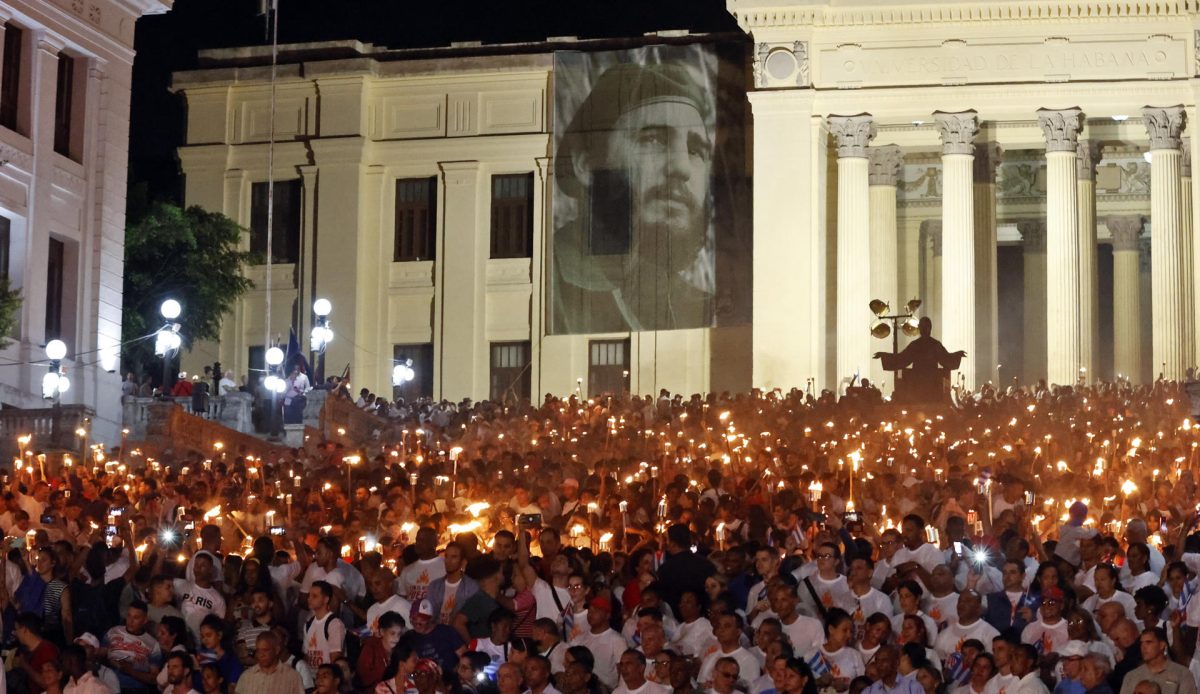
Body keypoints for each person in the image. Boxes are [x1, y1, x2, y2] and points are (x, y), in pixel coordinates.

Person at [552, 57, 717, 333]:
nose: (681, 167)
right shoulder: (544, 284)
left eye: (695, 150)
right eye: (652, 140)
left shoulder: (705, 312)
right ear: (587, 164)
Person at [875, 317, 966, 403]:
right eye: (923, 327)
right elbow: (902, 358)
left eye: (926, 327)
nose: (925, 329)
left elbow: (902, 359)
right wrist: (884, 355)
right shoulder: (927, 345)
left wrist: (957, 355)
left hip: (924, 383)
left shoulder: (928, 345)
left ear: (929, 328)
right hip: (924, 383)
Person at [1116, 628, 1196, 694]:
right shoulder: (1131, 677)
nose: (1143, 647)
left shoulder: (1182, 674)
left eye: (1148, 642)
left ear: (1162, 645)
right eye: (1141, 643)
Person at [235, 631, 304, 694]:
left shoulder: (292, 677)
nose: (261, 655)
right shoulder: (246, 677)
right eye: (258, 650)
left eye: (265, 650)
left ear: (277, 650)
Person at [302, 580, 346, 668]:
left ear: (326, 599)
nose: (309, 599)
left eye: (314, 596)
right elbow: (306, 655)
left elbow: (335, 657)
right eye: (309, 595)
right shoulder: (308, 624)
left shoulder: (334, 624)